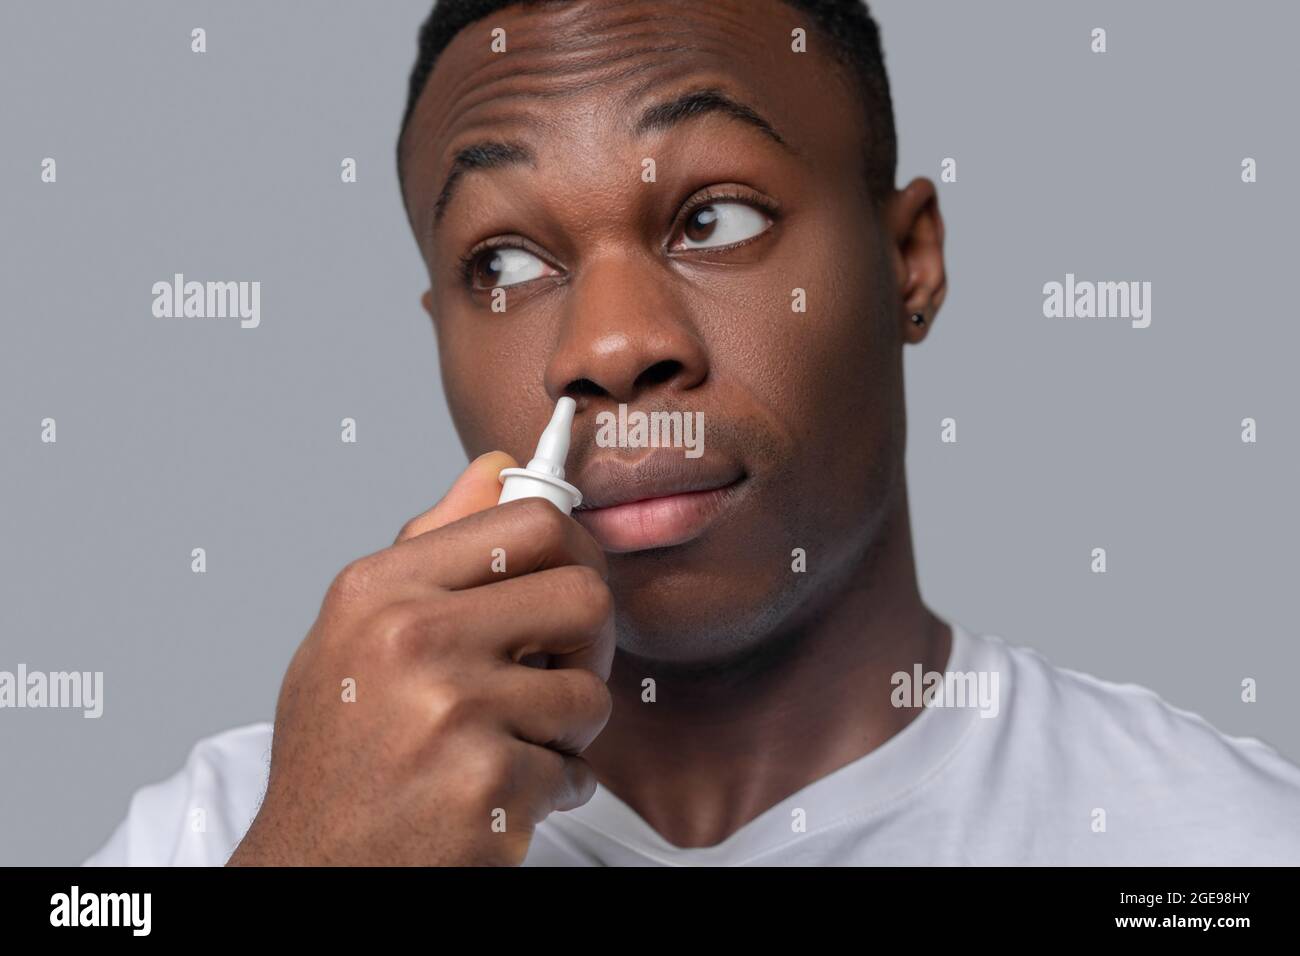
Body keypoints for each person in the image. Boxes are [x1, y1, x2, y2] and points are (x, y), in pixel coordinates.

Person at [83, 0, 1300, 867]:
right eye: (503, 260)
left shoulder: (1222, 847)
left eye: (714, 218)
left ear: (908, 261)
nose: (608, 347)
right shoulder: (226, 832)